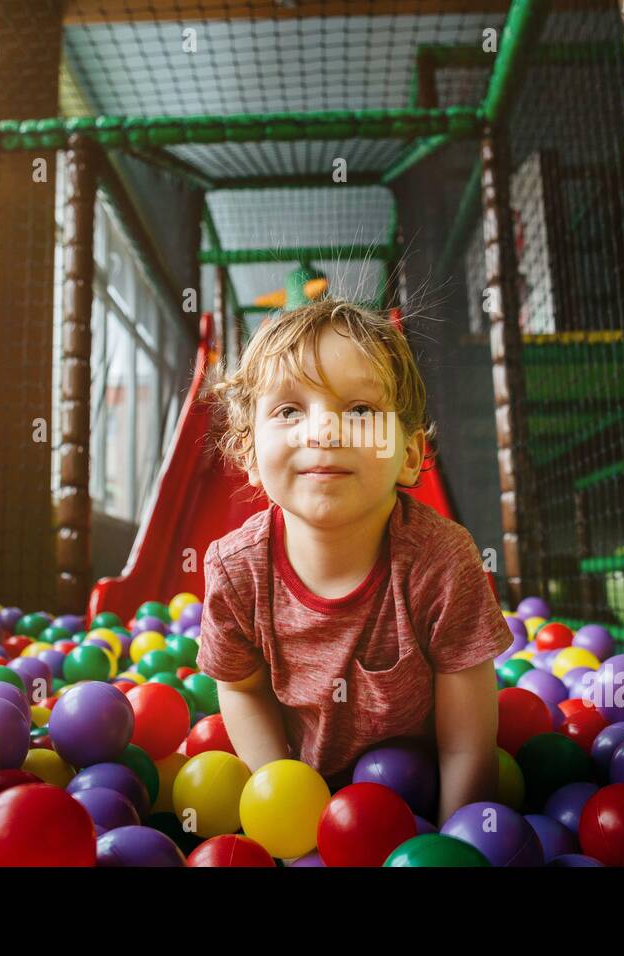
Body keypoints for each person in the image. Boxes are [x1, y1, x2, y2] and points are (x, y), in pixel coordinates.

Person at [197, 298, 513, 826]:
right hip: (306, 790)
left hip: (416, 797)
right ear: (250, 456)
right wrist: (282, 797)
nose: (323, 432)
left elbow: (465, 743)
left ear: (410, 456)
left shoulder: (441, 562)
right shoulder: (235, 570)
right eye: (289, 410)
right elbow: (242, 688)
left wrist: (453, 836)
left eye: (360, 410)